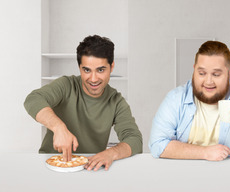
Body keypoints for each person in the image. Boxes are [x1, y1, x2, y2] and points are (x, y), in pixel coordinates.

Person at [24, 35, 143, 170]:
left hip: (89, 167)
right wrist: (58, 127)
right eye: (87, 70)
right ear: (79, 67)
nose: (93, 79)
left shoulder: (116, 101)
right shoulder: (66, 85)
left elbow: (134, 139)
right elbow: (33, 99)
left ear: (112, 66)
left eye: (100, 70)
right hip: (51, 166)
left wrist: (111, 153)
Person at [149, 41, 230, 161]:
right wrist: (204, 153)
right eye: (201, 73)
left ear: (229, 72)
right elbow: (157, 145)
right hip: (184, 174)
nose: (208, 81)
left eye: (216, 74)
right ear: (194, 69)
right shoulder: (175, 99)